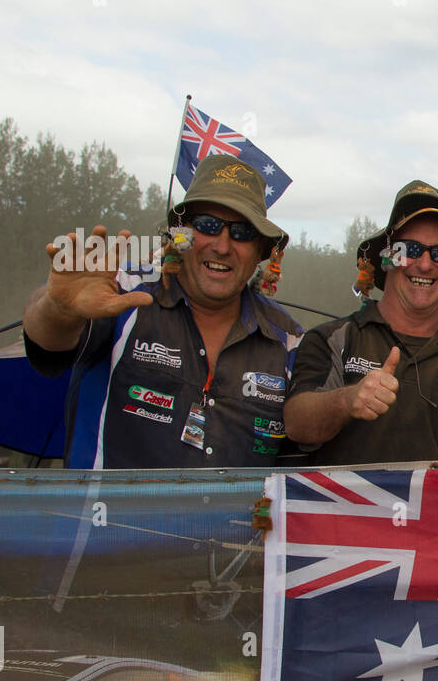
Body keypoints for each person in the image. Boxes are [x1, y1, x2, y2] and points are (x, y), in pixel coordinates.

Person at [22, 154, 303, 469]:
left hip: (233, 521)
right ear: (179, 235)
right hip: (107, 519)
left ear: (261, 252)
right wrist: (58, 309)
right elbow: (47, 344)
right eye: (208, 226)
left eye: (243, 233)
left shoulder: (290, 340)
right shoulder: (122, 291)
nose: (222, 246)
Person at [284, 180, 438, 464]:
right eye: (409, 249)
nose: (424, 264)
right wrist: (347, 401)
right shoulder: (334, 339)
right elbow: (297, 425)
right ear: (387, 257)